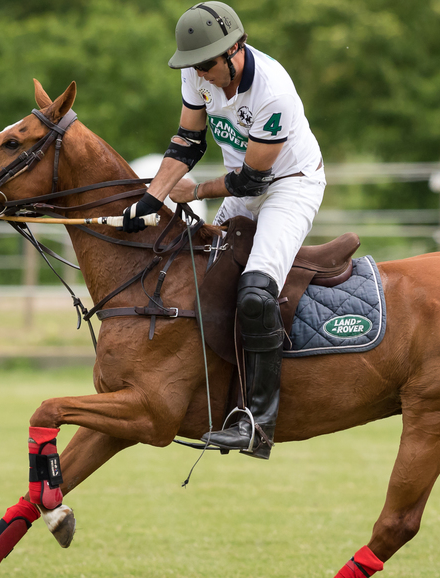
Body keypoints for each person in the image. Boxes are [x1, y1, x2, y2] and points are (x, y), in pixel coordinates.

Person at [121, 1, 326, 459]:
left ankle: (258, 422)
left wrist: (193, 195)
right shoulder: (197, 74)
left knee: (255, 291)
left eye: (208, 63)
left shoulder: (273, 91)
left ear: (237, 48)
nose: (201, 73)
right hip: (243, 187)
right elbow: (187, 142)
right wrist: (150, 200)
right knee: (194, 275)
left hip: (289, 187)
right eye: (193, 65)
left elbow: (252, 180)